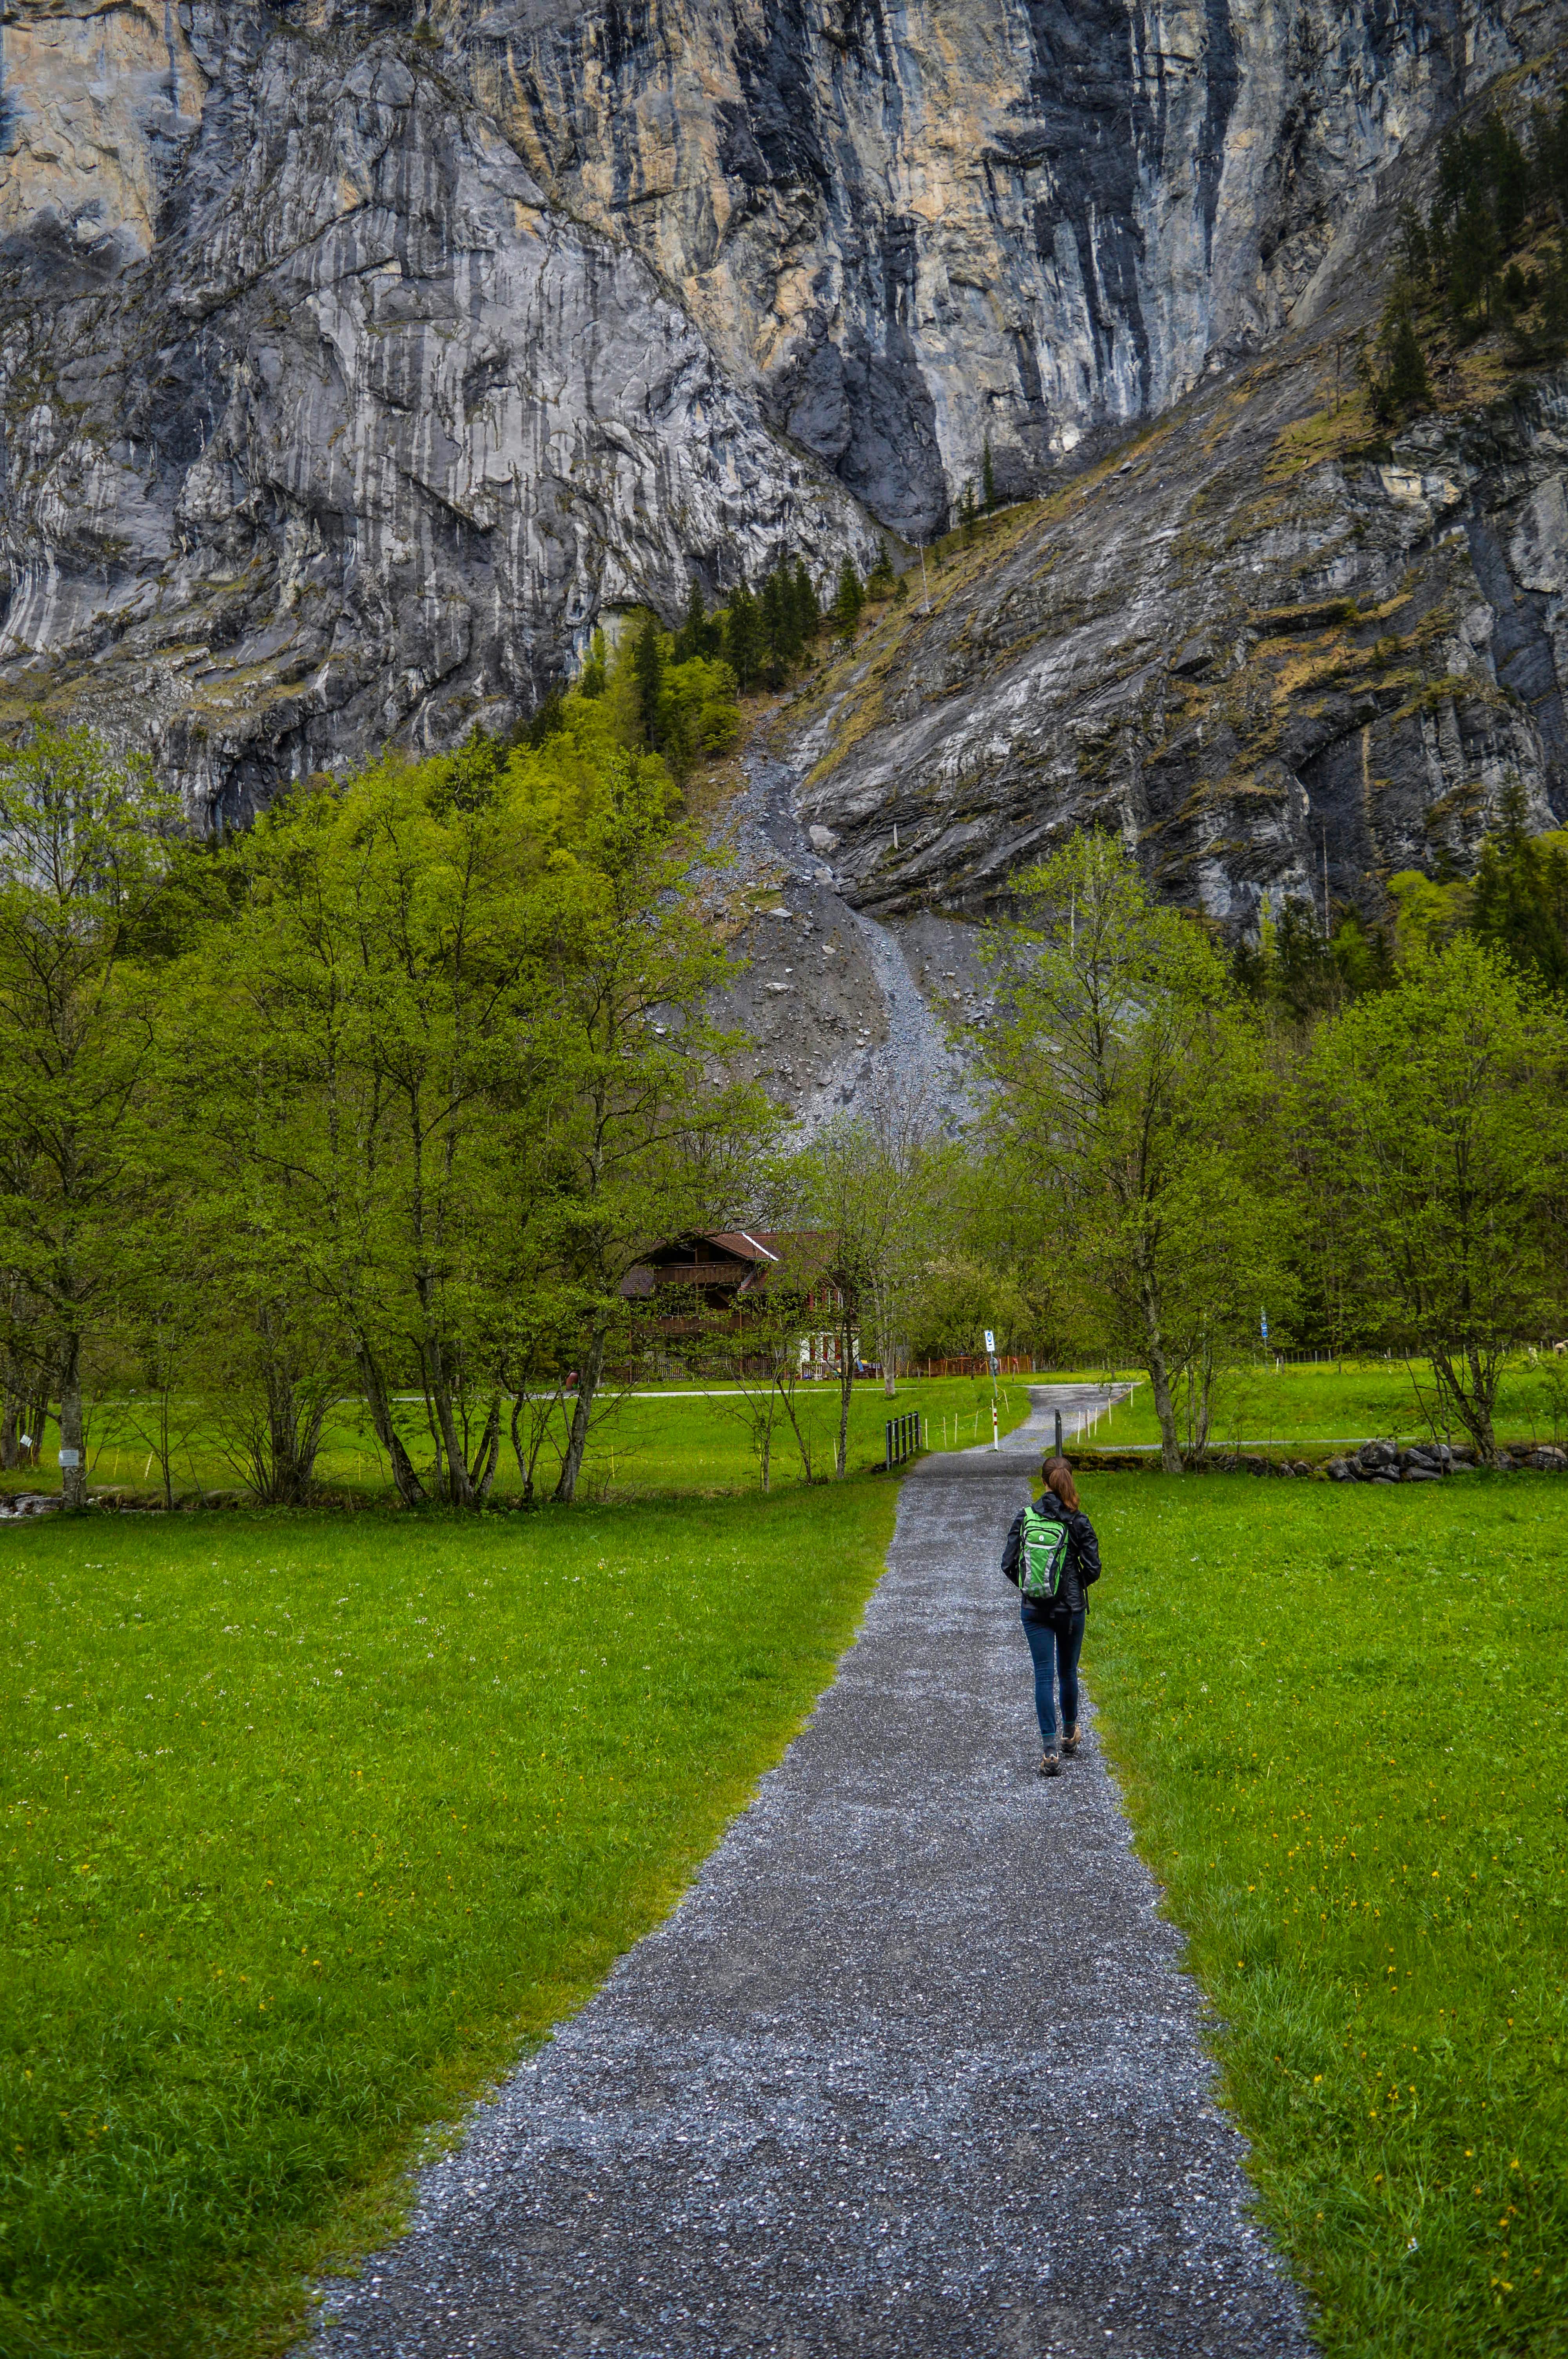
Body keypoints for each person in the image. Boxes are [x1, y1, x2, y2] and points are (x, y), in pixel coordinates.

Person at [1001, 1455, 1101, 1777]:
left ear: (1044, 1482)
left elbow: (1008, 1564)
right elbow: (1095, 1567)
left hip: (1034, 1610)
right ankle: (1070, 1735)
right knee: (1068, 1672)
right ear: (1069, 1481)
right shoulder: (1079, 1521)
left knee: (1044, 1676)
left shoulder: (1025, 1516)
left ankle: (1049, 1751)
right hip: (1070, 1612)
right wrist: (1073, 1586)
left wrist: (1031, 1588)